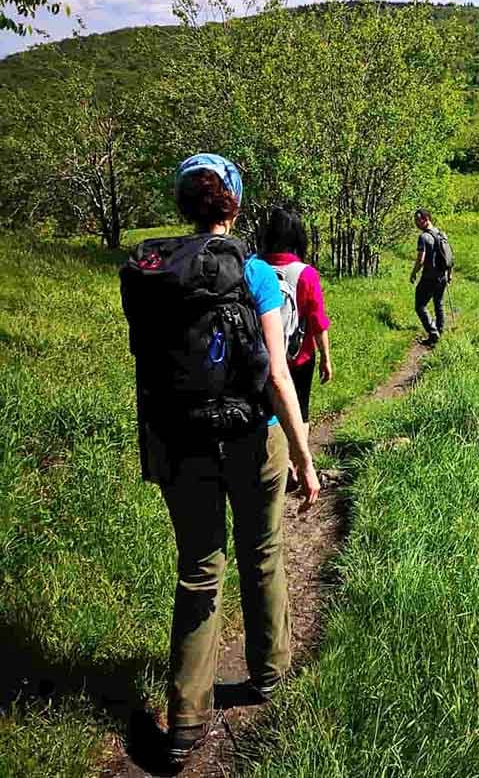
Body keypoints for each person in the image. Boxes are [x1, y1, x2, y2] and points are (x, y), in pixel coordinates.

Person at [120, 154, 320, 765]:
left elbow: (148, 368)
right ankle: (269, 673)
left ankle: (185, 718)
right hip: (252, 437)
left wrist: (152, 444)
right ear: (234, 206)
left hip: (178, 439)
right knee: (263, 551)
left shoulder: (150, 272)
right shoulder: (254, 273)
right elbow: (279, 378)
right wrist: (305, 457)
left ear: (184, 205)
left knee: (199, 567)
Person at [261, 207, 332, 490]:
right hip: (299, 356)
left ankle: (277, 465)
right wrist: (326, 358)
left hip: (264, 357)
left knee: (270, 411)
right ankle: (296, 466)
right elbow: (317, 322)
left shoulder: (254, 267)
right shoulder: (306, 274)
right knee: (300, 411)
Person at [409, 208, 452, 347]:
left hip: (429, 277)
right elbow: (449, 256)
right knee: (438, 303)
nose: (416, 223)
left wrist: (414, 273)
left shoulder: (423, 237)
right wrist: (449, 274)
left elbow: (420, 260)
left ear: (426, 219)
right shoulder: (441, 234)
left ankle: (433, 333)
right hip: (442, 276)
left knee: (420, 305)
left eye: (418, 219)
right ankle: (440, 331)